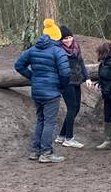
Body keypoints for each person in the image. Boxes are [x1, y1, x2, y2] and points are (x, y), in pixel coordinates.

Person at [14, 18, 72, 163]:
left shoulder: (33, 49)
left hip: (37, 91)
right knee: (49, 123)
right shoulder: (58, 51)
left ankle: (35, 151)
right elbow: (65, 73)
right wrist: (62, 86)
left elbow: (19, 65)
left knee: (41, 120)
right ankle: (46, 153)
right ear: (57, 36)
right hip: (51, 92)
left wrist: (33, 77)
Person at [55, 25, 88, 149]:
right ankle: (69, 138)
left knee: (76, 108)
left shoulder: (76, 47)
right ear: (60, 40)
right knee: (72, 108)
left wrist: (88, 77)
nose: (68, 40)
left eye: (69, 37)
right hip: (66, 82)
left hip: (77, 81)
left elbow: (81, 62)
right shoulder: (58, 51)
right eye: (64, 39)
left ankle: (62, 135)